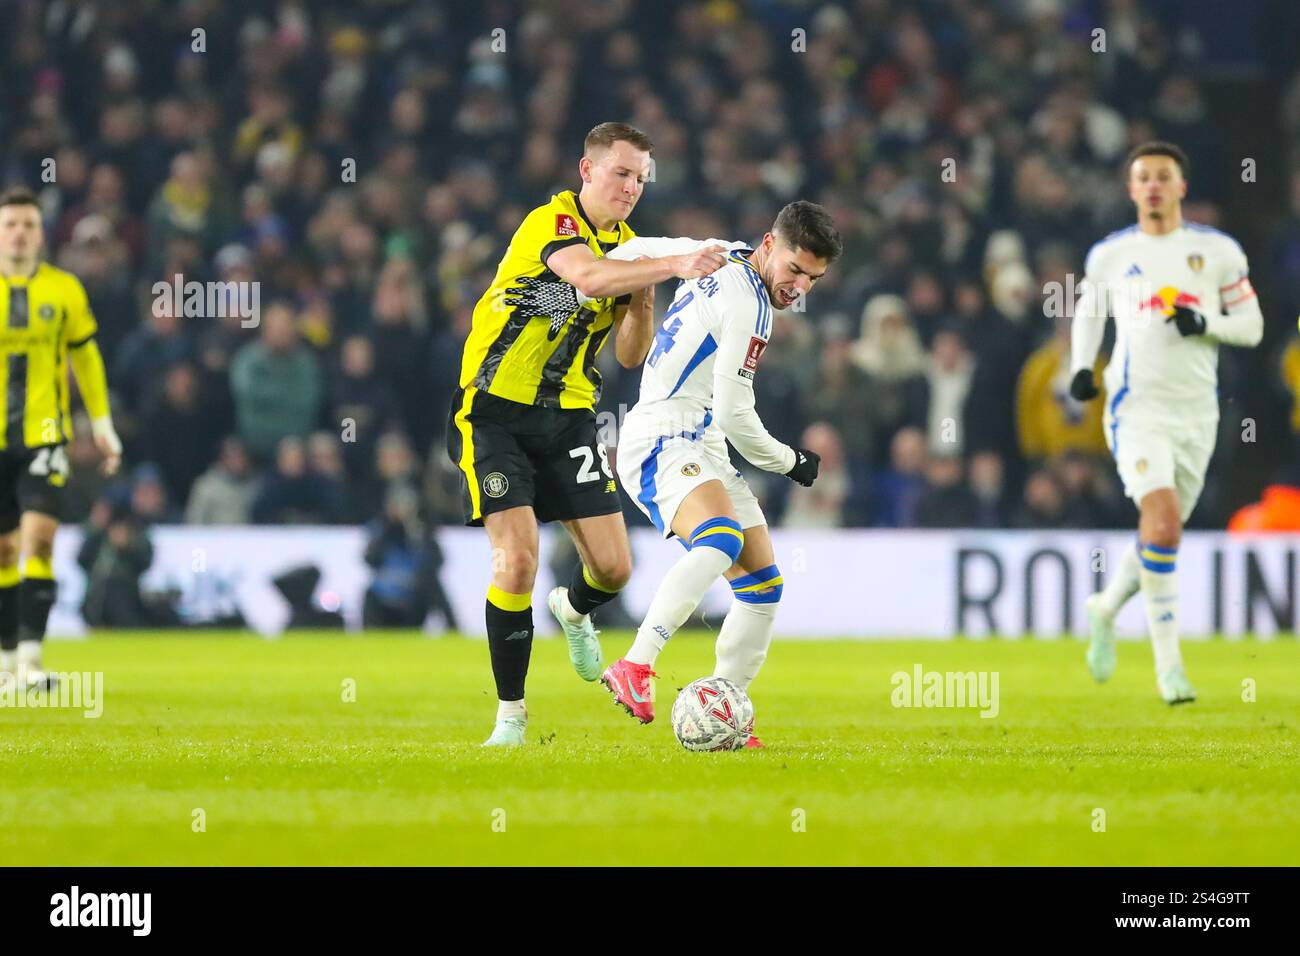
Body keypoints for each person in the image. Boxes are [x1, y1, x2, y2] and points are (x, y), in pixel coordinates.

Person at [446, 122, 732, 746]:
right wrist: (677, 261)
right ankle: (510, 720)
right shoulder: (553, 224)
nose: (632, 187)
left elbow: (630, 357)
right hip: (495, 411)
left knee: (614, 569)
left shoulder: (633, 251)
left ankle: (572, 611)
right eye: (622, 173)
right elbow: (588, 279)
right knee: (516, 561)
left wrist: (645, 300)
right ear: (587, 170)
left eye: (640, 178)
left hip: (570, 415)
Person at [604, 200, 842, 746]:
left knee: (763, 587)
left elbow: (639, 249)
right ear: (768, 244)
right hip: (663, 434)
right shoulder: (750, 306)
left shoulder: (718, 253)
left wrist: (622, 282)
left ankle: (726, 707)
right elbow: (738, 414)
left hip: (700, 437)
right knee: (718, 540)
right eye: (794, 270)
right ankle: (637, 664)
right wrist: (792, 462)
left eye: (813, 278)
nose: (799, 286)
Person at [1070, 142, 1264, 703]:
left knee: (1162, 532)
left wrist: (1205, 324)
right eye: (1143, 178)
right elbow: (1089, 311)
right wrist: (1083, 368)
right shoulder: (1111, 254)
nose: (1153, 186)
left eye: (1163, 177)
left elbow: (1250, 326)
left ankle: (1105, 609)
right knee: (1163, 523)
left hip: (1198, 414)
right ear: (1131, 191)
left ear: (1182, 187)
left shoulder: (1217, 252)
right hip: (1136, 410)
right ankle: (1170, 669)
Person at [0, 189, 122, 690]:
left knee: (40, 539)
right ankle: (7, 660)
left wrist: (102, 422)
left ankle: (31, 660)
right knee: (5, 553)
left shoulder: (65, 289)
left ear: (41, 233)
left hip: (46, 435)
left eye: (28, 224)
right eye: (10, 224)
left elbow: (86, 358)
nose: (20, 233)